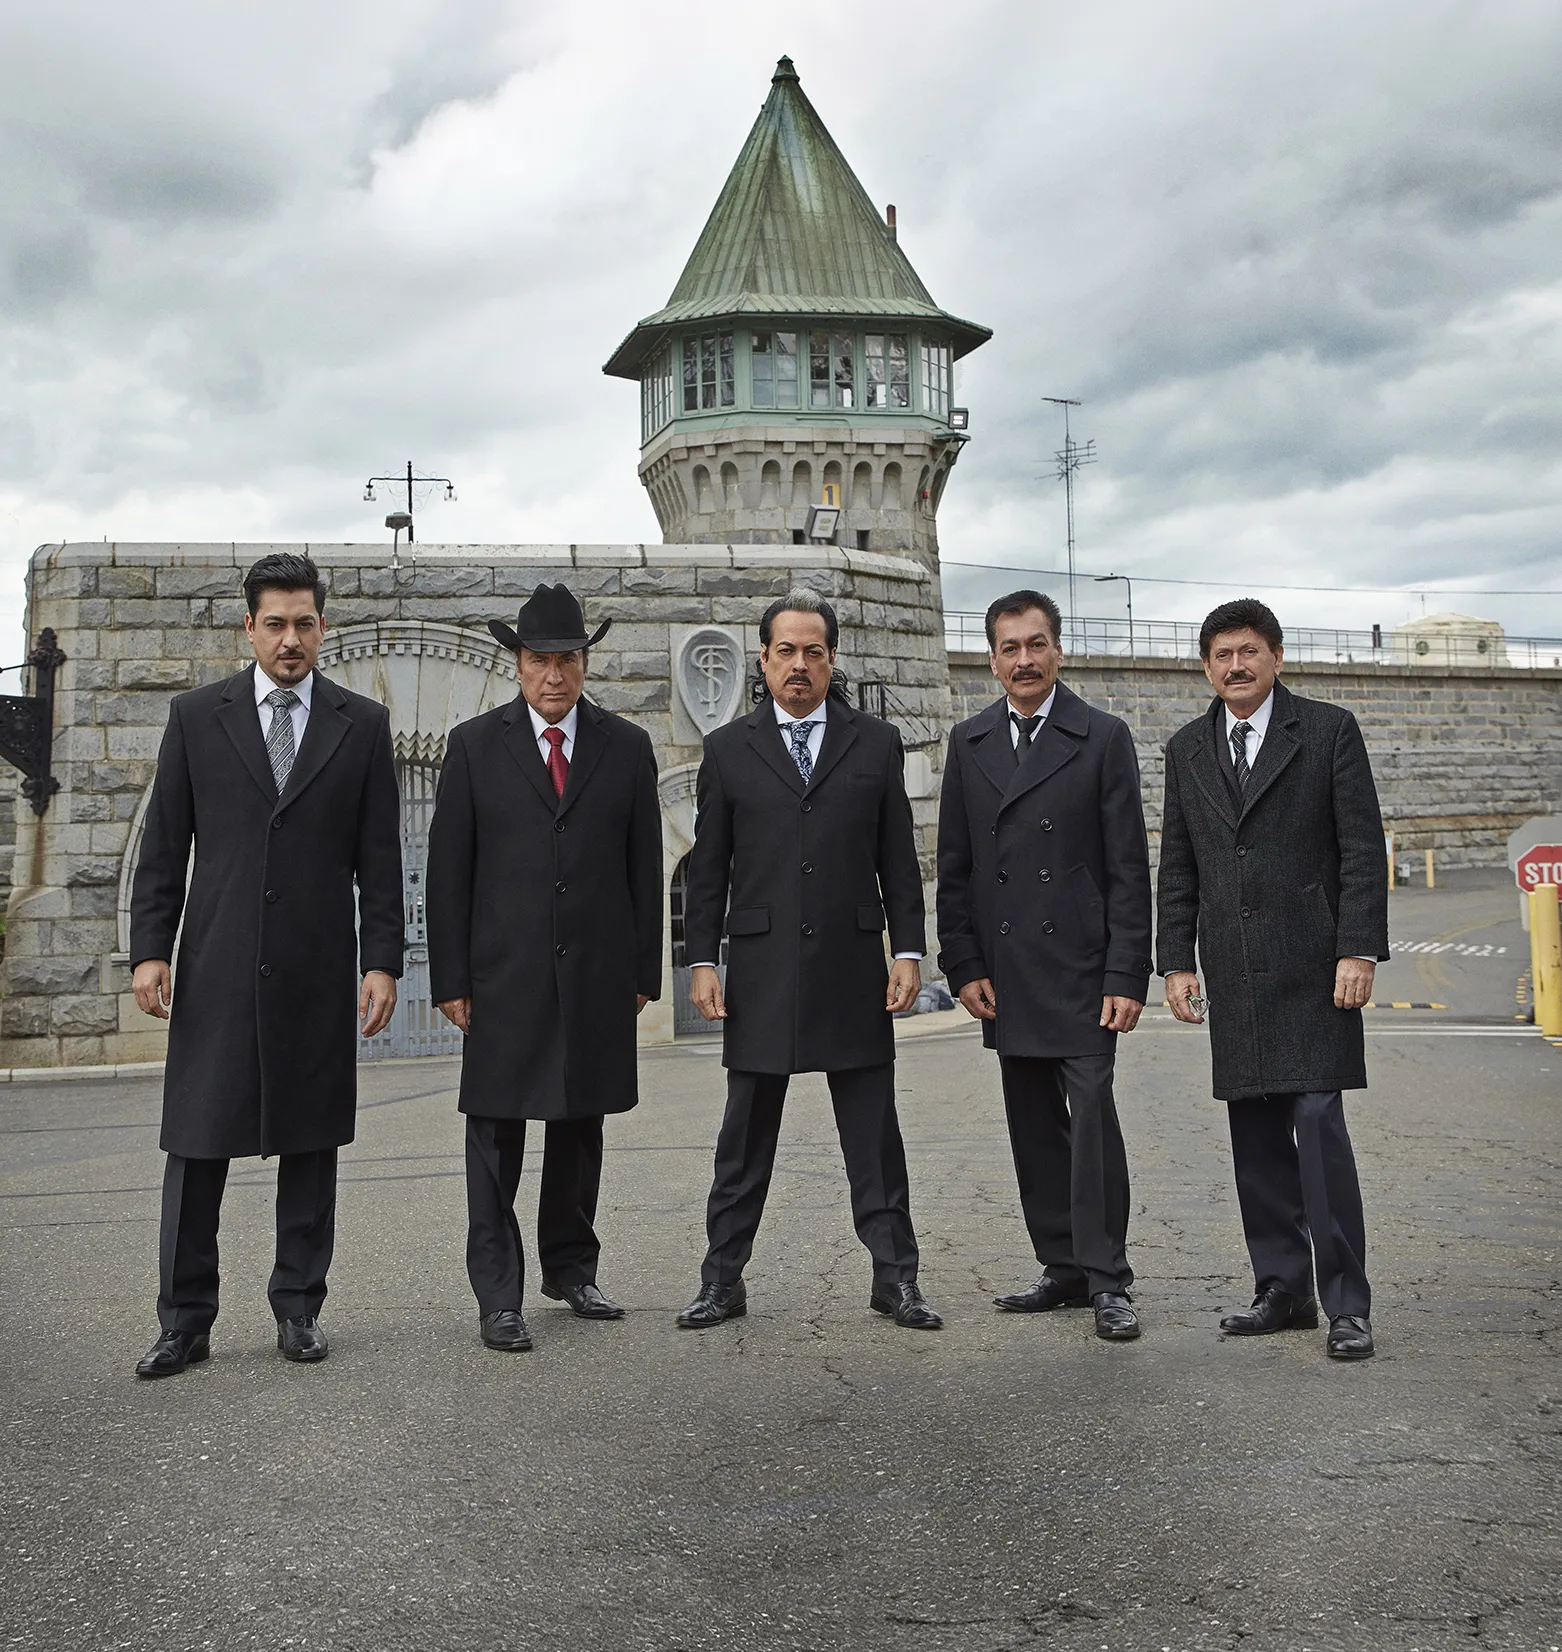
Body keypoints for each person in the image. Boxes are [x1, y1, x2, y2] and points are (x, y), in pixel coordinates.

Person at [129, 552, 403, 1377]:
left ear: (326, 628)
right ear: (247, 627)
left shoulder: (362, 725)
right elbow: (163, 846)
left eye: (305, 623)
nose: (291, 640)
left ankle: (299, 1308)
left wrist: (383, 960)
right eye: (276, 624)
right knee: (197, 1142)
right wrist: (150, 947)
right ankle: (184, 1320)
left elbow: (380, 860)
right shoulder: (195, 717)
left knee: (310, 1141)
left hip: (318, 965)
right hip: (215, 963)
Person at [676, 590, 941, 1331]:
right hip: (761, 972)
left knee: (874, 1138)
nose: (799, 665)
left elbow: (898, 858)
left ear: (832, 659)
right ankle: (722, 1281)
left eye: (813, 651)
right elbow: (708, 869)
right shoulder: (729, 750)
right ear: (762, 659)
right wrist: (703, 960)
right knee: (744, 1139)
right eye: (786, 651)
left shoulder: (876, 743)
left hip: (854, 967)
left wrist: (909, 950)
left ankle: (897, 1280)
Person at [425, 583, 662, 1353]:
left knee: (579, 1125)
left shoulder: (626, 747)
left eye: (566, 659)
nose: (552, 675)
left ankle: (571, 1269)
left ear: (584, 663)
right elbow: (448, 873)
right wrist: (451, 979)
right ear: (517, 665)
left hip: (595, 974)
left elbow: (642, 869)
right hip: (503, 977)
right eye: (538, 660)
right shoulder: (472, 746)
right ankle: (500, 1295)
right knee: (495, 1136)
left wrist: (643, 973)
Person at [1158, 598, 1387, 1360]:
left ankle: (1347, 1305)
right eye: (1222, 655)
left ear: (1277, 657)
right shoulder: (1187, 748)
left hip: (1316, 969)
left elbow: (1361, 848)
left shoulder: (1327, 731)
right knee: (1254, 1138)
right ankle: (1283, 1290)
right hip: (1238, 970)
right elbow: (1179, 866)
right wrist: (1177, 961)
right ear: (1206, 666)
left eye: (1250, 651)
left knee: (1319, 1129)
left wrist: (1358, 950)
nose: (1237, 666)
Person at [936, 589, 1153, 1341]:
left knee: (1092, 1120)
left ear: (1058, 650)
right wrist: (962, 965)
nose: (1022, 661)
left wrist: (1128, 975)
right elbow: (956, 869)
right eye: (1008, 648)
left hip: (1085, 971)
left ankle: (1107, 1278)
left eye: (1035, 645)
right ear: (991, 658)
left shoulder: (1101, 736)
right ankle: (1060, 1266)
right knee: (1031, 1123)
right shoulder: (968, 744)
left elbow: (1129, 869)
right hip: (1007, 970)